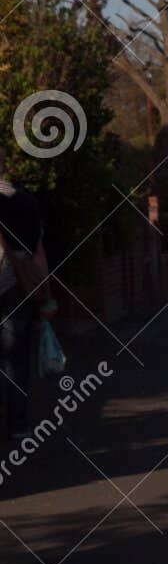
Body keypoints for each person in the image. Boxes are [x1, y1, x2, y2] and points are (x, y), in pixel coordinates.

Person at [0, 155, 54, 440]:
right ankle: (18, 423)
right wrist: (45, 295)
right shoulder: (25, 201)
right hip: (17, 286)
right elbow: (38, 252)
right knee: (16, 357)